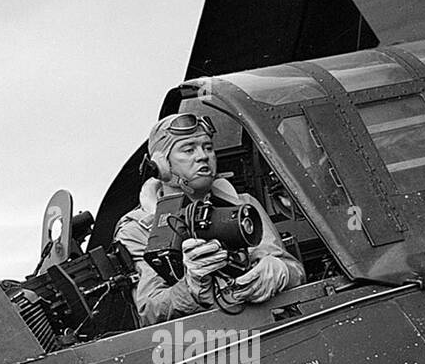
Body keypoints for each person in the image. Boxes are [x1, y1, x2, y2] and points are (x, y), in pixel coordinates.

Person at [115, 114, 305, 325]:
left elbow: (296, 271)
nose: (203, 156)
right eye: (188, 149)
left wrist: (280, 271)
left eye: (207, 147)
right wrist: (192, 286)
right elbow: (150, 311)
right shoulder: (138, 229)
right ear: (161, 165)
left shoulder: (242, 204)